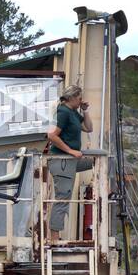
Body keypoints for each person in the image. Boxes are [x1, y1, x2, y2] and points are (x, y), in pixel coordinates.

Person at [46, 84, 94, 241]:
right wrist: (70, 150)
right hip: (62, 161)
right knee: (63, 197)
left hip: (70, 161)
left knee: (95, 162)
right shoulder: (63, 112)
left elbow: (89, 128)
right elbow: (52, 136)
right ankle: (54, 236)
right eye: (79, 98)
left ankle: (102, 189)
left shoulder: (73, 112)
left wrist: (85, 110)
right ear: (72, 97)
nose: (81, 100)